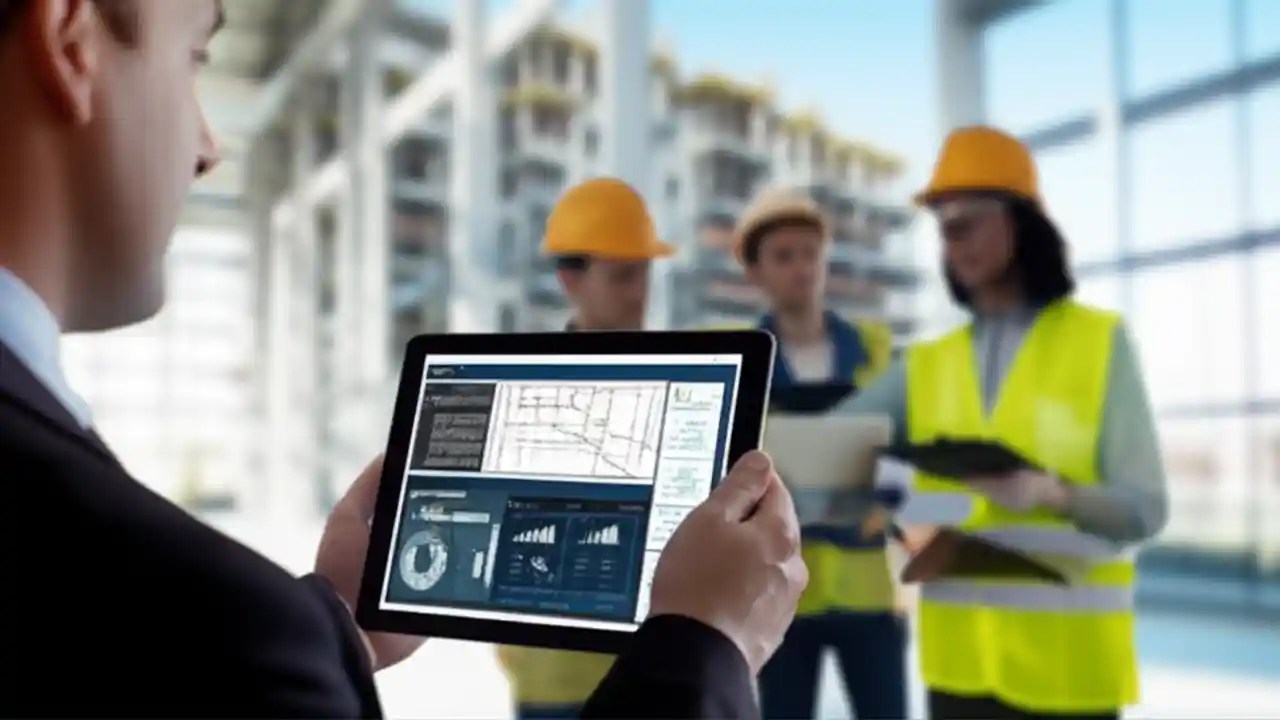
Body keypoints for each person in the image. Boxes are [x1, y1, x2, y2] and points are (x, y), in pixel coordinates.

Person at [0, 2, 808, 717]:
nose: (210, 146)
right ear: (71, 41)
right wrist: (704, 648)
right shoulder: (230, 638)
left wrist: (339, 625)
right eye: (194, 59)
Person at [836, 125, 1169, 720]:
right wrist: (901, 513)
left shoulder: (1100, 343)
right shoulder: (926, 365)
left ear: (1021, 222)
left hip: (1070, 677)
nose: (953, 240)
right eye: (944, 227)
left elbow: (1145, 509)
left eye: (968, 221)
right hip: (960, 675)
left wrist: (1053, 494)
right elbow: (834, 450)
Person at [495, 176, 678, 718]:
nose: (639, 292)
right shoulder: (525, 389)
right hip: (555, 673)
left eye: (644, 273)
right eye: (623, 276)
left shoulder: (688, 382)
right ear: (569, 279)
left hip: (658, 665)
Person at [722, 188, 907, 720]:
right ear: (756, 272)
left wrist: (889, 502)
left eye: (810, 254)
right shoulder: (745, 364)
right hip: (782, 600)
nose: (801, 268)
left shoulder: (875, 352)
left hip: (868, 590)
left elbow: (905, 453)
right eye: (784, 256)